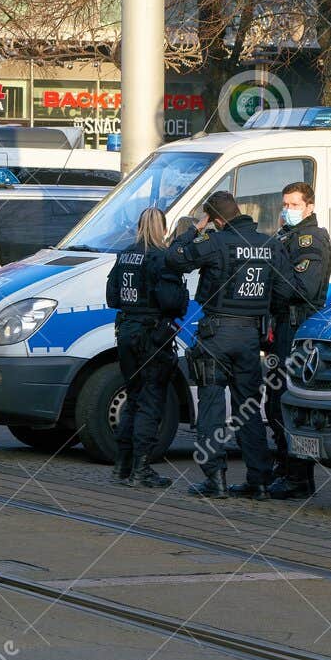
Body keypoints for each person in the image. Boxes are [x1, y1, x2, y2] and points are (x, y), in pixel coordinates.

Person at [166, 191, 279, 499]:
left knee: (212, 406)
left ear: (215, 219)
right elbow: (283, 290)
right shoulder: (270, 244)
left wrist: (193, 231)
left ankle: (215, 478)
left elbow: (174, 257)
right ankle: (259, 481)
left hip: (217, 335)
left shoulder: (215, 242)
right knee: (248, 409)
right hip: (250, 337)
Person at [104, 208, 188, 488]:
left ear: (139, 226)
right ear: (162, 229)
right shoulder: (161, 257)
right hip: (151, 337)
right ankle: (141, 470)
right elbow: (172, 303)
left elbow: (112, 297)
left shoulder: (125, 254)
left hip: (126, 333)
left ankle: (121, 466)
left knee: (134, 398)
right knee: (151, 403)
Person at [264, 181, 331, 500]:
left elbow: (300, 288)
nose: (287, 211)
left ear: (309, 207)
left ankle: (298, 477)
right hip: (284, 326)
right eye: (285, 205)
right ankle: (285, 467)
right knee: (274, 401)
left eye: (294, 205)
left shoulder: (309, 239)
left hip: (297, 327)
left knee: (287, 402)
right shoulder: (288, 237)